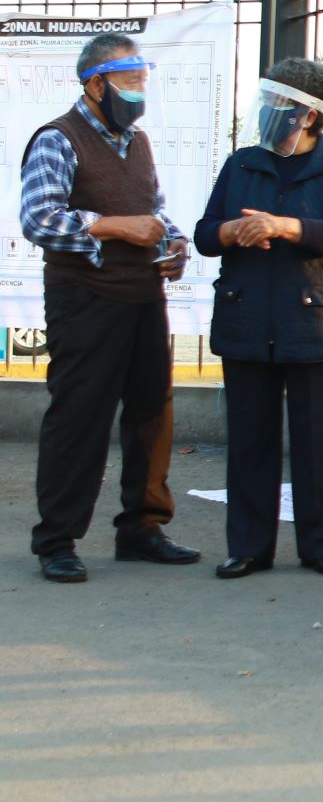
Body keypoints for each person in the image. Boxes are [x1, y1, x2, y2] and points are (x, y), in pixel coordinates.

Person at [19, 33, 199, 583]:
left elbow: (155, 211)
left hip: (143, 297)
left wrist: (173, 244)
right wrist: (113, 225)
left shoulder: (138, 142)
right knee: (80, 417)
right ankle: (57, 540)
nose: (138, 94)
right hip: (86, 299)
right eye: (128, 82)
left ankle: (142, 529)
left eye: (142, 82)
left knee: (151, 413)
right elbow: (39, 219)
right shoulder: (58, 139)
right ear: (94, 84)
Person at [194, 59, 323, 579]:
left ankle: (320, 547)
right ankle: (248, 547)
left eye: (278, 104)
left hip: (313, 320)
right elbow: (205, 232)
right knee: (249, 440)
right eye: (265, 101)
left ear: (307, 114)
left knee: (314, 444)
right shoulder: (241, 163)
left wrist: (286, 227)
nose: (267, 111)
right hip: (247, 316)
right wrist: (230, 234)